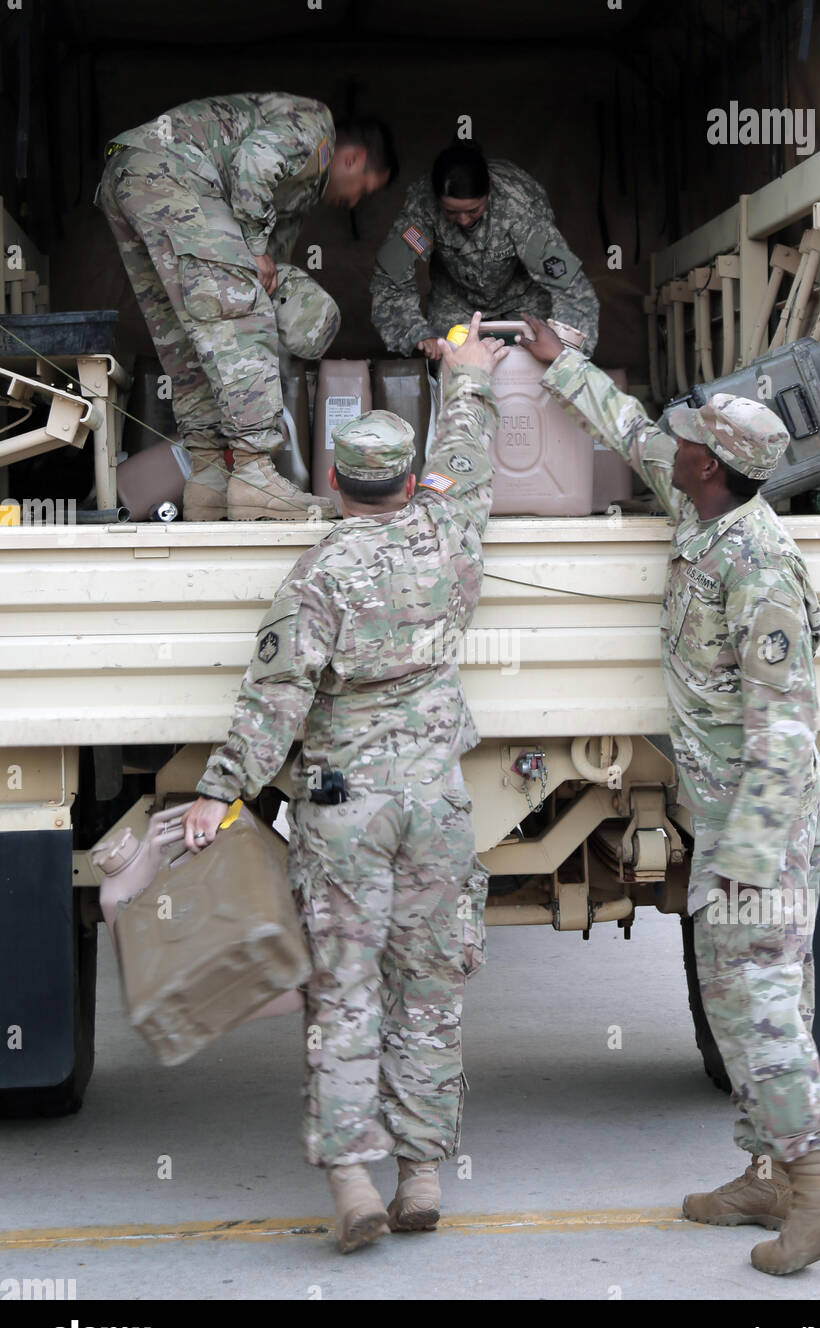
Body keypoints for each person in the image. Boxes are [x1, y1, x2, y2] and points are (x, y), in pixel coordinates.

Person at [521, 313, 820, 1276]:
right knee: (762, 1004)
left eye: (688, 444)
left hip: (760, 826)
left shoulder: (760, 568)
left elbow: (785, 730)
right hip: (727, 819)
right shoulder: (703, 511)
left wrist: (746, 866)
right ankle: (767, 1171)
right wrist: (566, 366)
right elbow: (634, 432)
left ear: (712, 468)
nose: (670, 447)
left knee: (754, 1003)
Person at [180, 312, 507, 1253]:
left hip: (343, 809)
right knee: (432, 985)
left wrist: (220, 793)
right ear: (407, 483)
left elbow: (272, 699)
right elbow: (468, 453)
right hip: (438, 804)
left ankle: (354, 1182)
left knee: (346, 989)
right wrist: (468, 373)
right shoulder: (450, 533)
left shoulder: (318, 576)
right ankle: (424, 1173)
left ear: (334, 482)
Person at [97, 95, 398, 521]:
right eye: (362, 190)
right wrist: (253, 253)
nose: (352, 202)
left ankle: (207, 478)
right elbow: (255, 162)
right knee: (239, 312)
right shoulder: (317, 129)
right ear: (352, 160)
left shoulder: (293, 194)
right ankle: (256, 473)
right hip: (174, 169)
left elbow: (266, 273)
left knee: (185, 333)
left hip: (132, 173)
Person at [371, 139, 598, 360]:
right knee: (448, 360)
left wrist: (566, 360)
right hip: (455, 295)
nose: (463, 220)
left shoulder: (518, 212)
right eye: (450, 212)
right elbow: (392, 275)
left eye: (473, 210)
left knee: (536, 362)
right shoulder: (424, 209)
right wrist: (417, 332)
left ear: (489, 187)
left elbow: (570, 287)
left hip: (521, 293)